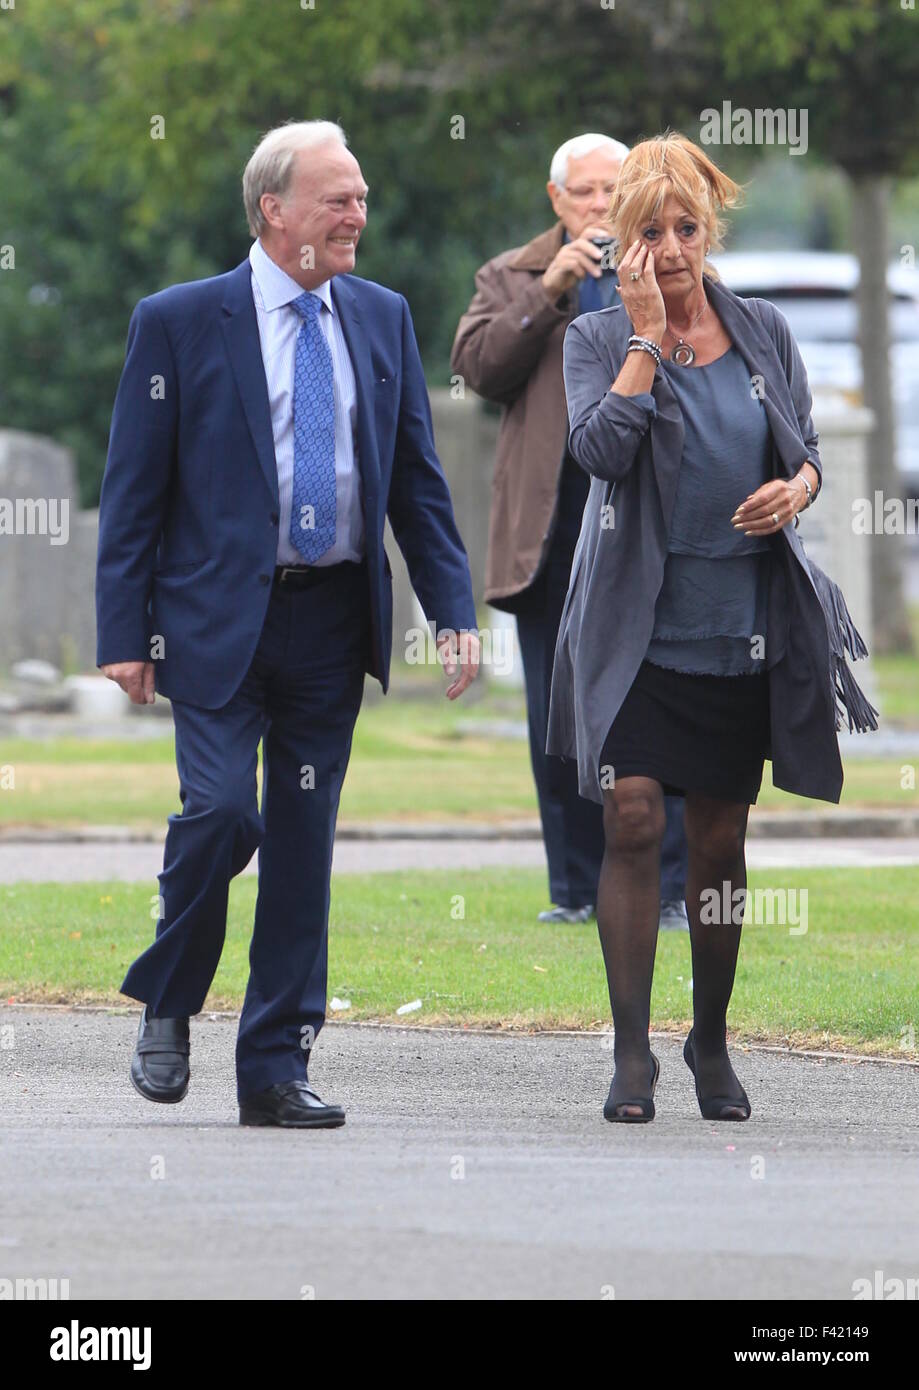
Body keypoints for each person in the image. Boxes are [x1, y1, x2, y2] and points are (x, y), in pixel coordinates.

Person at [96, 120, 480, 1128]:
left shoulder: (382, 317)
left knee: (303, 845)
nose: (358, 214)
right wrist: (122, 632)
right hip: (216, 622)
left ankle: (274, 1067)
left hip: (330, 622)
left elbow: (415, 486)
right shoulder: (180, 321)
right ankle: (171, 995)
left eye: (359, 197)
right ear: (274, 209)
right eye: (338, 198)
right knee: (223, 812)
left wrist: (452, 612)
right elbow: (132, 491)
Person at [547, 133, 875, 1124]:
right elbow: (599, 451)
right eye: (651, 230)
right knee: (634, 815)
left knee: (720, 839)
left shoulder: (763, 330)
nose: (674, 246)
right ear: (623, 240)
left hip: (741, 623)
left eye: (687, 227)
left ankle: (712, 1041)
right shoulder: (597, 339)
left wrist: (796, 489)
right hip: (637, 628)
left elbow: (806, 448)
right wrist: (646, 338)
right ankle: (630, 1051)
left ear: (708, 229)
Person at [451, 133, 688, 929]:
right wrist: (547, 291)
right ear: (556, 199)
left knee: (662, 702)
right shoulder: (511, 274)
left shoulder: (671, 262)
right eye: (584, 192)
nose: (597, 205)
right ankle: (575, 889)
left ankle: (669, 891)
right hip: (551, 526)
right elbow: (479, 373)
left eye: (611, 189)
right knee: (558, 714)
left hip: (650, 521)